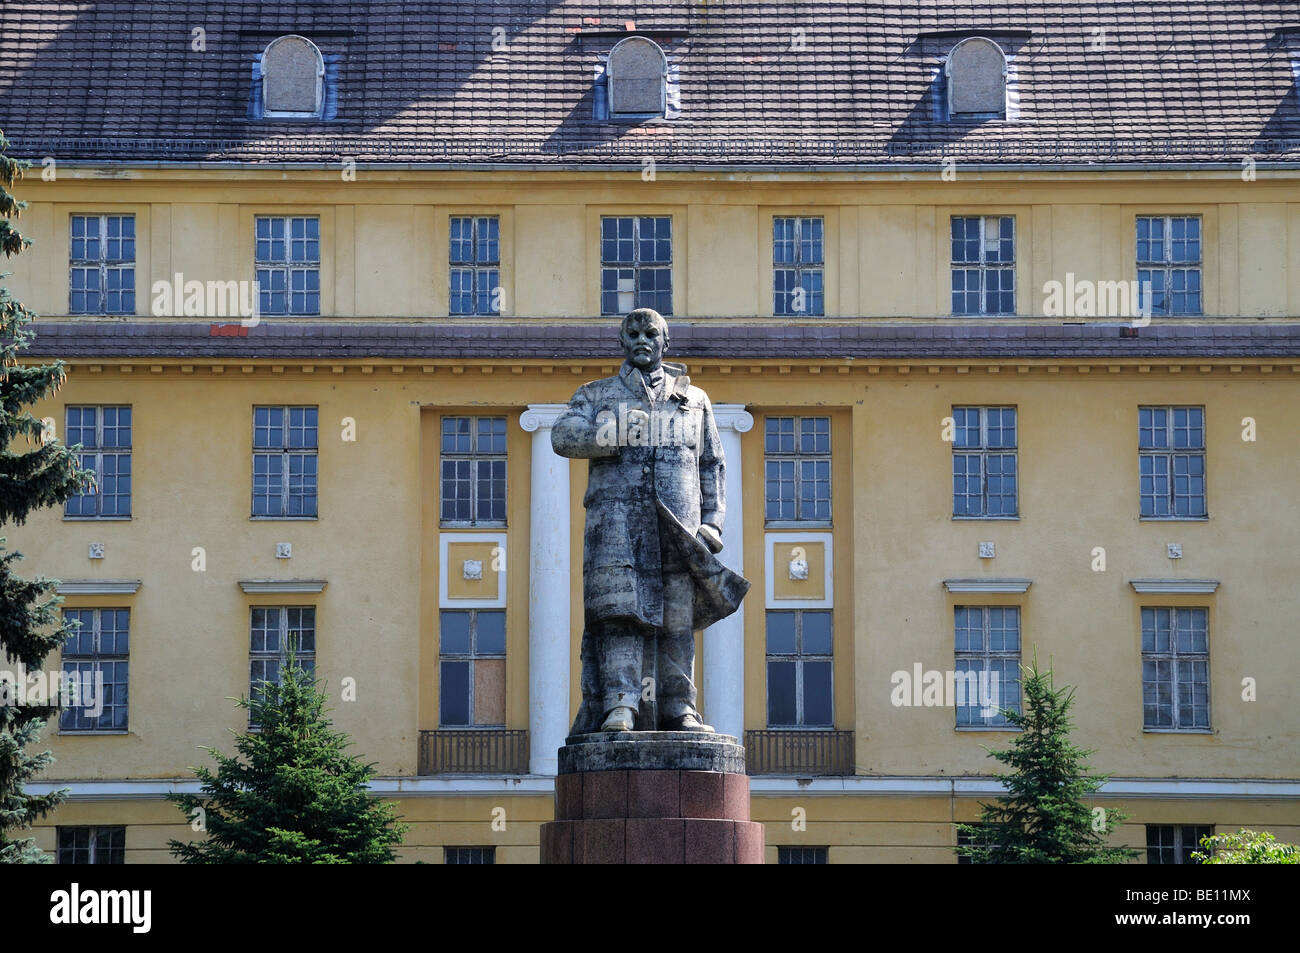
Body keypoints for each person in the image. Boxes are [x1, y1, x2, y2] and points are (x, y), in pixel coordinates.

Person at [552, 308, 748, 734]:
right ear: (622, 343)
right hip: (617, 526)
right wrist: (616, 431)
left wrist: (713, 523)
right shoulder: (597, 394)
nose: (642, 340)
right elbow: (562, 436)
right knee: (620, 615)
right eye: (633, 333)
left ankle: (680, 707)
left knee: (677, 621)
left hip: (679, 526)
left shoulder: (694, 401)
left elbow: (712, 463)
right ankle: (620, 706)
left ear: (665, 342)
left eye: (651, 333)